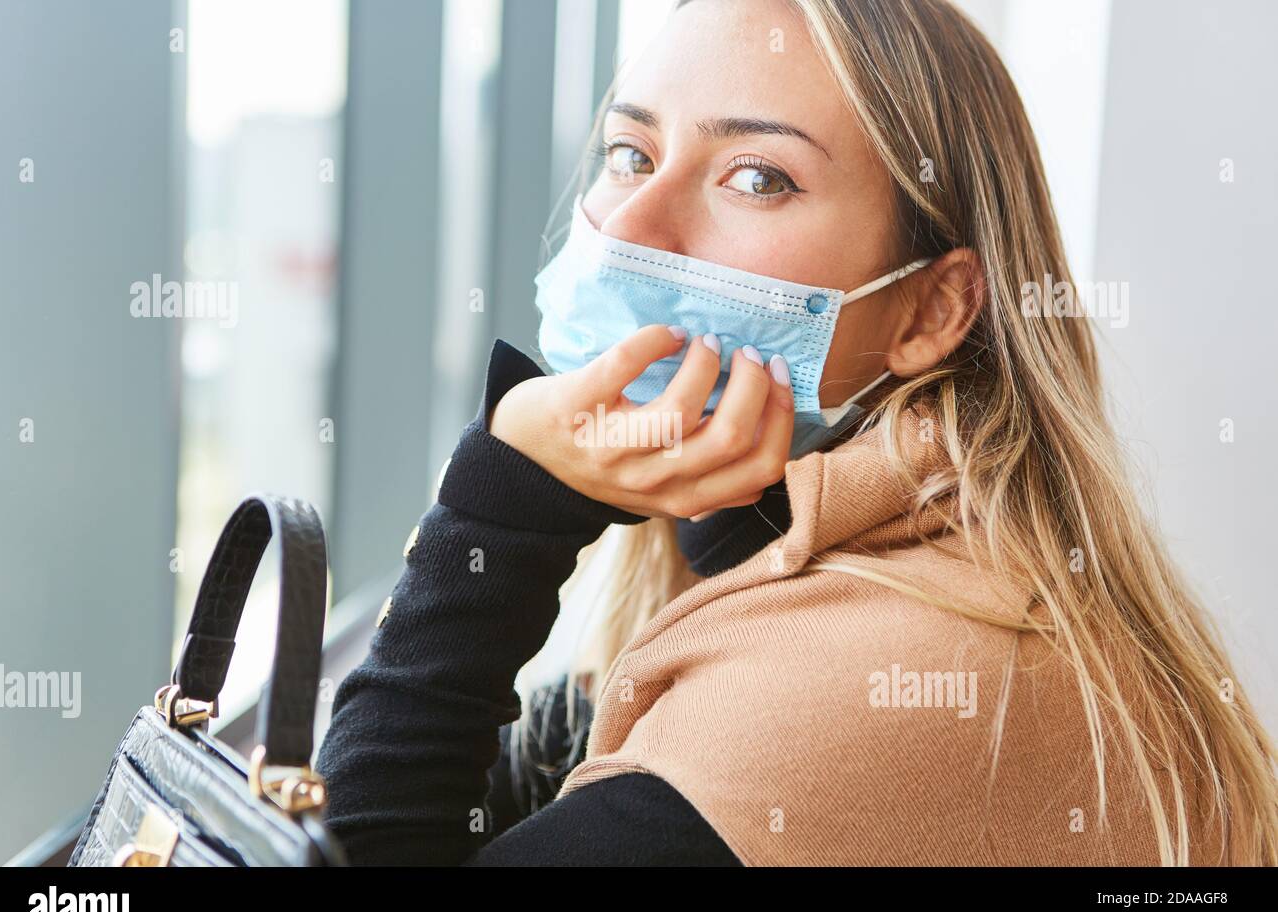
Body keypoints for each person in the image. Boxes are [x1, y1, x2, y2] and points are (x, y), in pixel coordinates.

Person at [315, 0, 1278, 866]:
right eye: (630, 153)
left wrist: (498, 505)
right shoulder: (802, 574)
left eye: (758, 176)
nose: (632, 226)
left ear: (931, 310)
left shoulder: (878, 694)